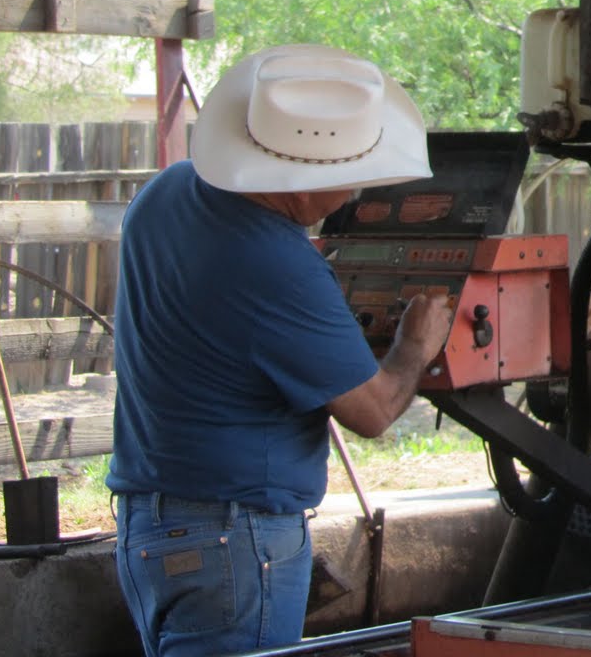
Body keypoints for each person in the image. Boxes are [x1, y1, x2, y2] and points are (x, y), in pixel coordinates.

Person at [107, 44, 454, 657]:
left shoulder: (164, 194)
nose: (354, 193)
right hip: (233, 539)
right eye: (349, 175)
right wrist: (413, 349)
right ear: (303, 181)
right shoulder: (280, 267)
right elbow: (371, 413)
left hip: (148, 525)